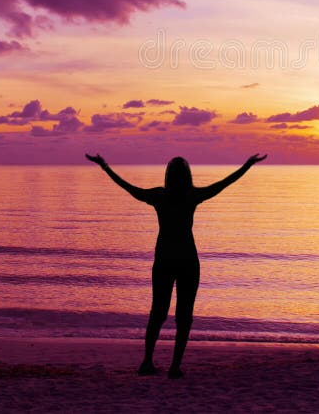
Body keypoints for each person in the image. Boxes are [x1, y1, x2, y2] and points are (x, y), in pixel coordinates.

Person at [85, 151, 267, 378]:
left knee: (158, 313)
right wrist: (247, 164)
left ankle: (148, 362)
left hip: (164, 260)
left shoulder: (160, 196)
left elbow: (128, 187)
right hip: (187, 261)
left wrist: (105, 166)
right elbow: (224, 183)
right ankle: (174, 367)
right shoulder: (191, 195)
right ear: (187, 175)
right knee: (184, 315)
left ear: (168, 175)